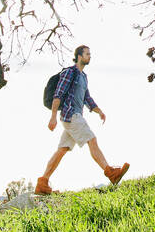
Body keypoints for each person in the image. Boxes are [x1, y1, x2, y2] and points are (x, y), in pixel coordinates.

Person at [35, 45, 129, 194]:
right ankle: (111, 173)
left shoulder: (84, 77)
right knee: (92, 139)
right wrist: (52, 117)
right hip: (71, 115)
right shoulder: (69, 72)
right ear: (79, 56)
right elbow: (58, 95)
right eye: (87, 54)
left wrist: (99, 111)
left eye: (90, 54)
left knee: (62, 150)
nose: (89, 56)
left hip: (75, 116)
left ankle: (42, 182)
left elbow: (87, 98)